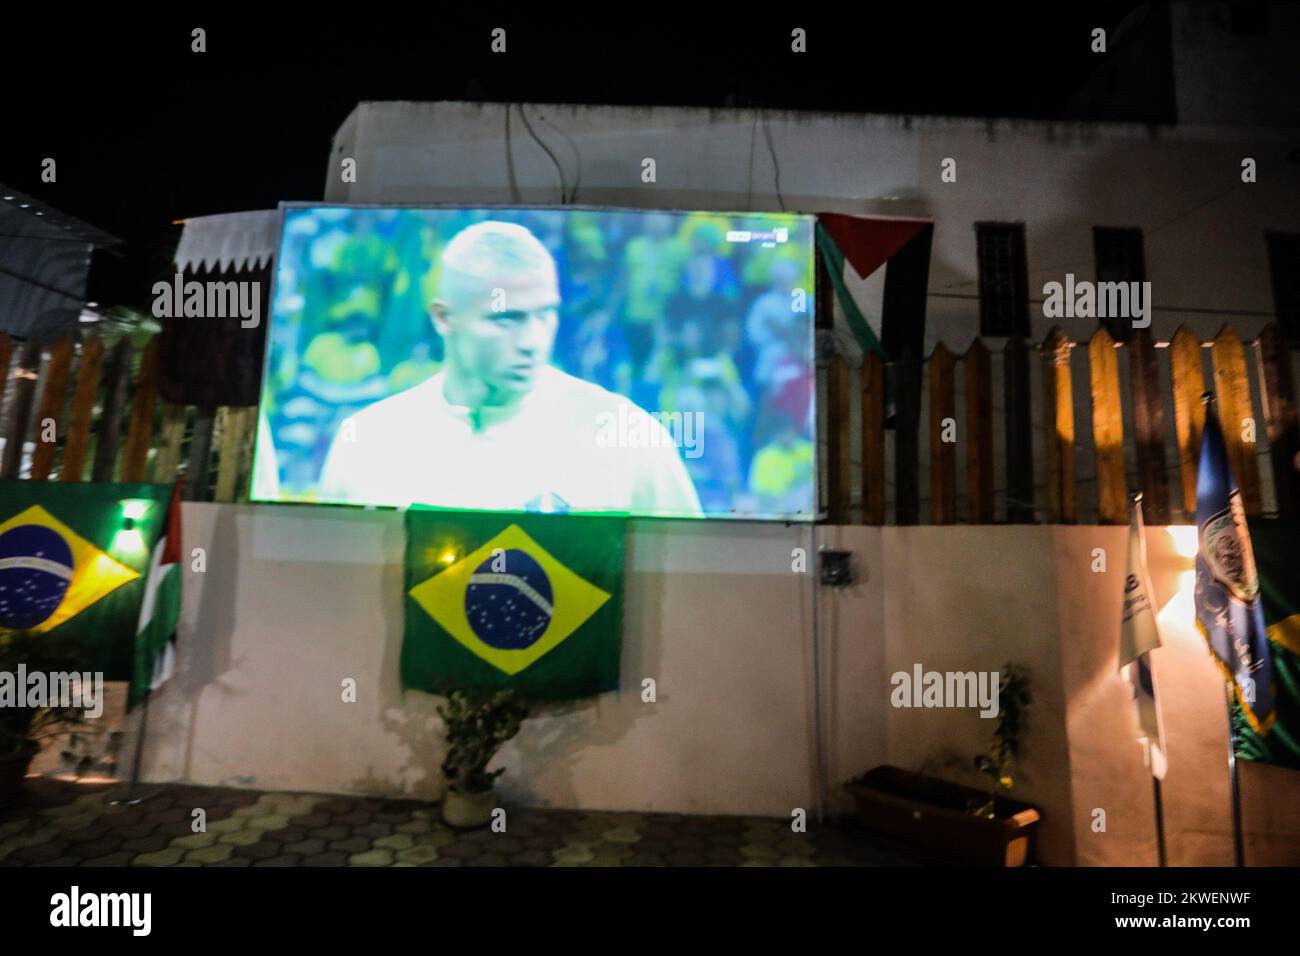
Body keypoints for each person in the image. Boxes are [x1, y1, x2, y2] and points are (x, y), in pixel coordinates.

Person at [316, 221, 702, 516]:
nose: (533, 339)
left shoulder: (624, 437)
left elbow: (695, 583)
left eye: (545, 314)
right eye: (507, 319)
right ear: (444, 318)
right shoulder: (370, 443)